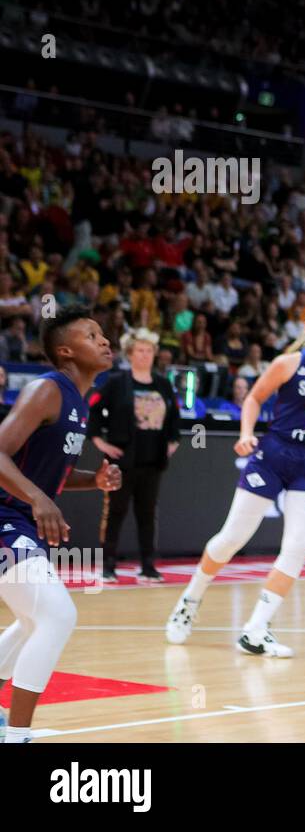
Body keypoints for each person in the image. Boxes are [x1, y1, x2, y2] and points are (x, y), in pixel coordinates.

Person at [164, 305, 305, 657]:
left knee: (297, 549)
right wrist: (245, 433)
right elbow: (254, 398)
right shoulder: (288, 364)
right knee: (232, 538)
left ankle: (256, 629)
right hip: (273, 457)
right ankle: (190, 599)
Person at [0, 305, 120, 743]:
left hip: (20, 520)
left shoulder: (79, 404)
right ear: (66, 351)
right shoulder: (46, 390)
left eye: (103, 333)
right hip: (5, 520)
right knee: (57, 616)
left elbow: (50, 475)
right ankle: (16, 735)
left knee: (33, 622)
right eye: (92, 335)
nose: (105, 340)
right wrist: (38, 499)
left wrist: (95, 481)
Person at [87, 327, 181, 582]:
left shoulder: (163, 384)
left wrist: (173, 442)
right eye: (139, 350)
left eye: (149, 350)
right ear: (129, 354)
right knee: (115, 512)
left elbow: (174, 417)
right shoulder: (117, 382)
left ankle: (148, 565)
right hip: (123, 460)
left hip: (153, 460)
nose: (145, 355)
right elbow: (94, 410)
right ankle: (108, 565)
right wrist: (100, 442)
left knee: (148, 514)